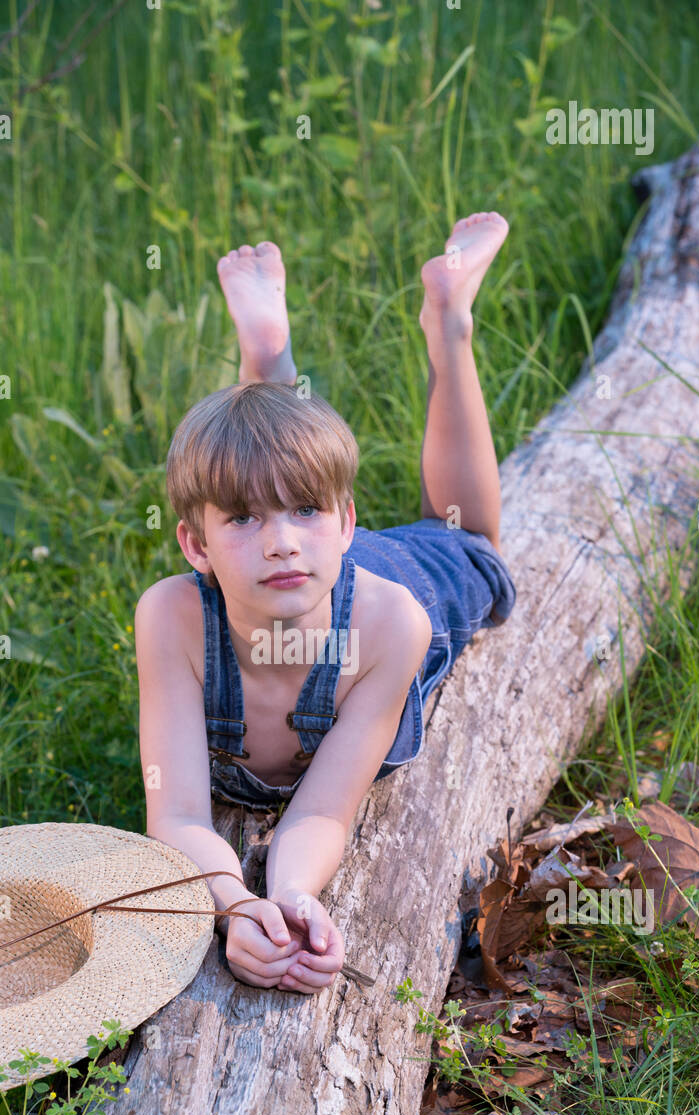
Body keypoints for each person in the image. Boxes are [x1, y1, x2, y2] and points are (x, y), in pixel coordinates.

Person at [135, 215, 516, 998]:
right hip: (299, 591)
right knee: (272, 465)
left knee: (471, 537)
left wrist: (296, 891)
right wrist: (237, 906)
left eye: (306, 511)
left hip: (369, 587)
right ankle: (267, 357)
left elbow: (323, 811)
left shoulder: (395, 623)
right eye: (240, 520)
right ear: (194, 546)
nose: (279, 542)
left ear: (344, 521)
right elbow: (174, 815)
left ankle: (447, 323)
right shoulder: (173, 617)